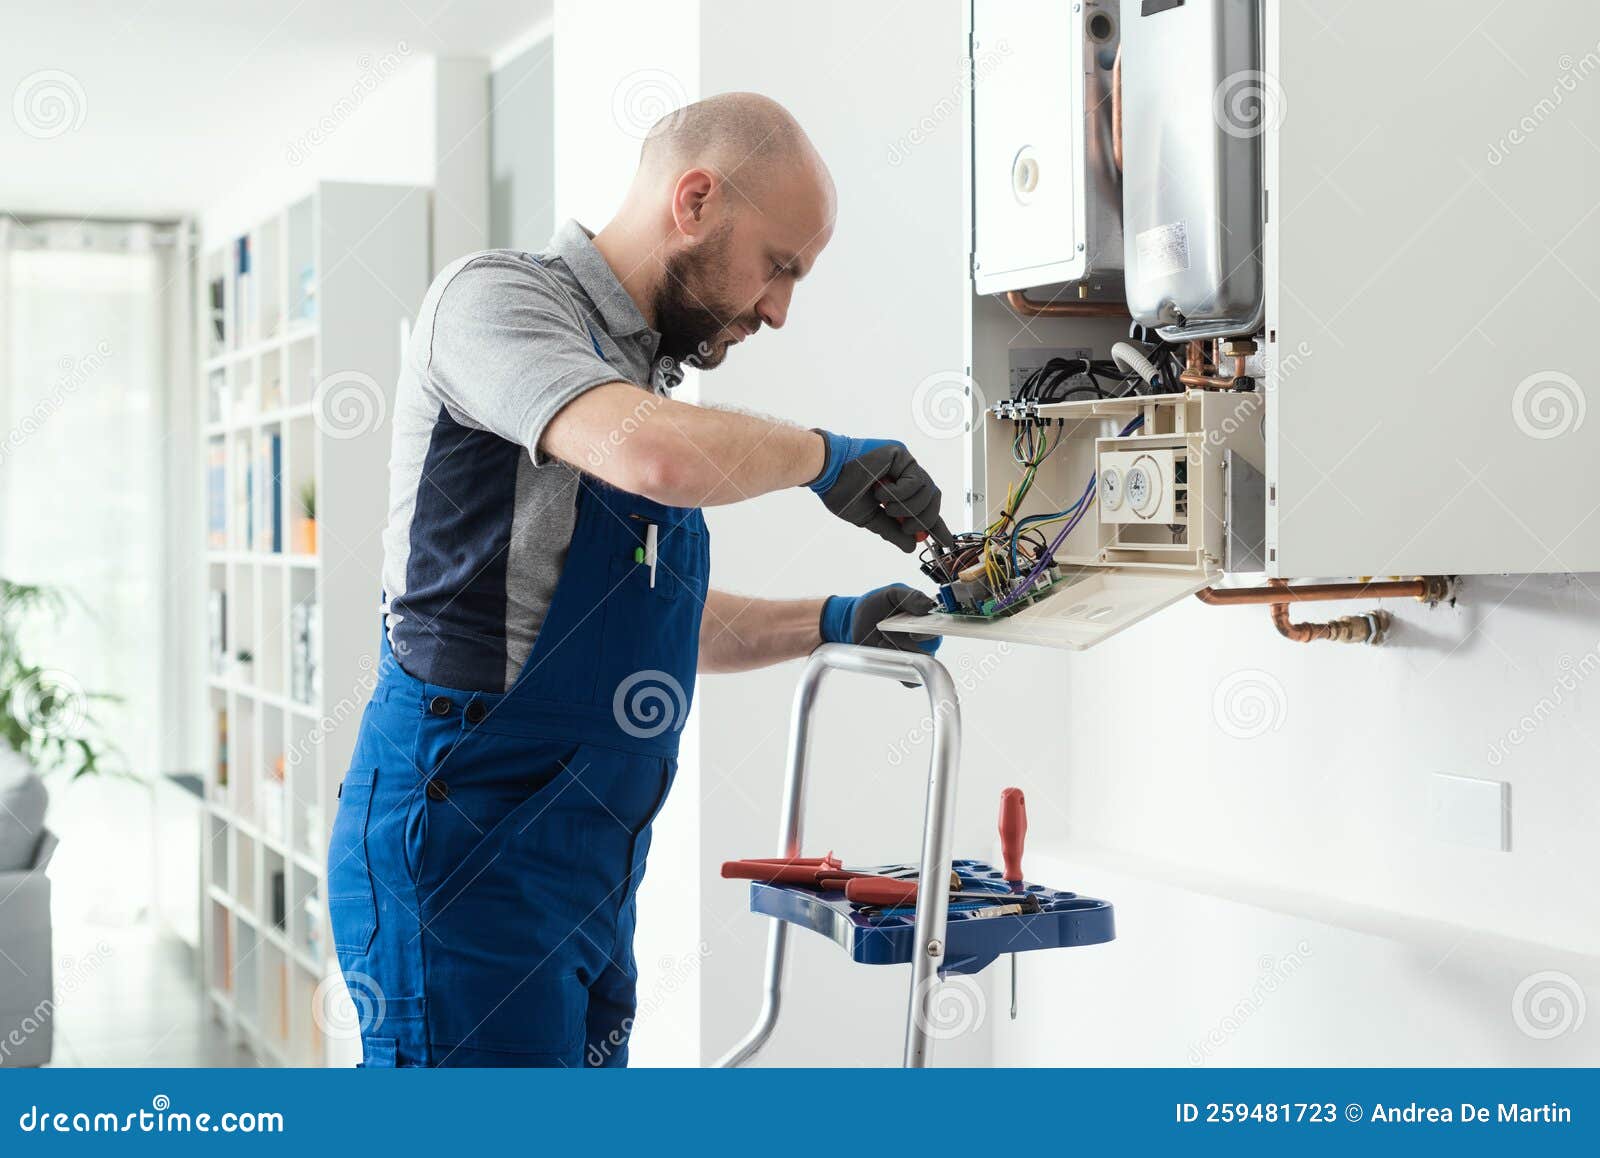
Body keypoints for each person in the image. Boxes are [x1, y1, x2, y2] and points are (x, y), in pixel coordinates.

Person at [327, 92, 951, 1067]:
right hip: (462, 855)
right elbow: (652, 456)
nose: (778, 310)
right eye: (778, 266)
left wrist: (835, 620)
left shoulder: (643, 383)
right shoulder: (497, 303)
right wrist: (825, 458)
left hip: (586, 872)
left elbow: (651, 629)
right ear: (694, 202)